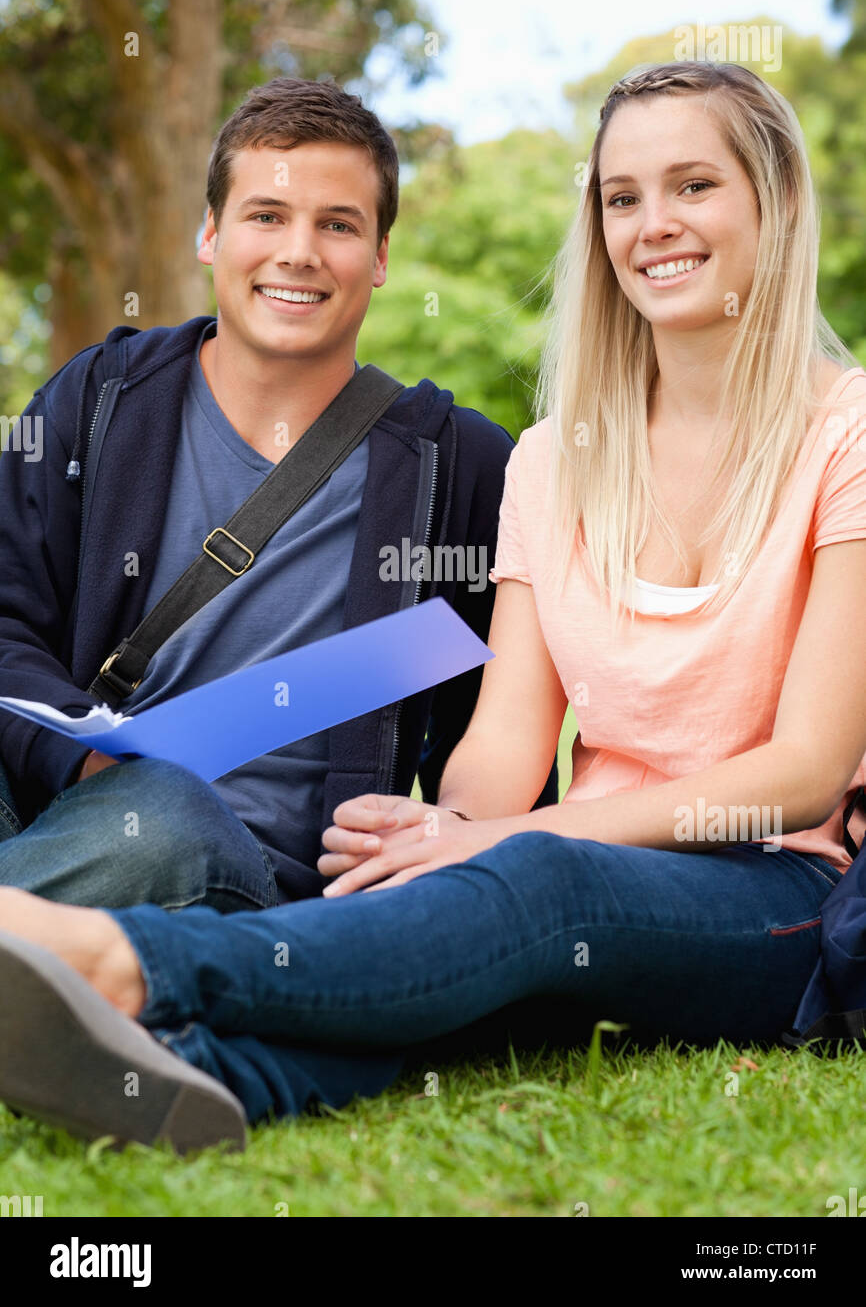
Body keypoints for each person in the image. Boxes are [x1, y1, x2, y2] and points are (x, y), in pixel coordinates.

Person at [1, 59, 865, 1154]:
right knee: (439, 966)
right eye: (621, 196)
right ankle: (178, 1080)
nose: (654, 224)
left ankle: (113, 963)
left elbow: (804, 767)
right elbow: (502, 741)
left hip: (769, 879)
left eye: (692, 186)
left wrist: (505, 839)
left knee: (524, 882)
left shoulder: (845, 432)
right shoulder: (554, 463)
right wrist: (441, 826)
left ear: (776, 203)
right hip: (571, 871)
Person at [0, 76, 555, 913]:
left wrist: (447, 857)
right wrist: (88, 761)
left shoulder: (457, 465)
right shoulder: (103, 398)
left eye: (338, 225)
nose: (299, 251)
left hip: (243, 881)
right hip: (58, 807)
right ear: (211, 235)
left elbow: (505, 732)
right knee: (138, 805)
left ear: (379, 258)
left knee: (166, 815)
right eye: (267, 216)